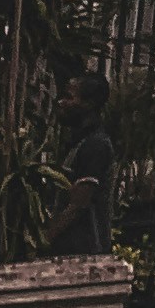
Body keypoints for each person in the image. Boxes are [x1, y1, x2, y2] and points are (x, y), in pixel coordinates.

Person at [50, 71, 118, 257]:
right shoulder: (78, 142)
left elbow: (79, 204)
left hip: (85, 255)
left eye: (69, 97)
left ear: (89, 104)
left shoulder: (95, 145)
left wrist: (45, 238)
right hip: (71, 253)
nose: (60, 103)